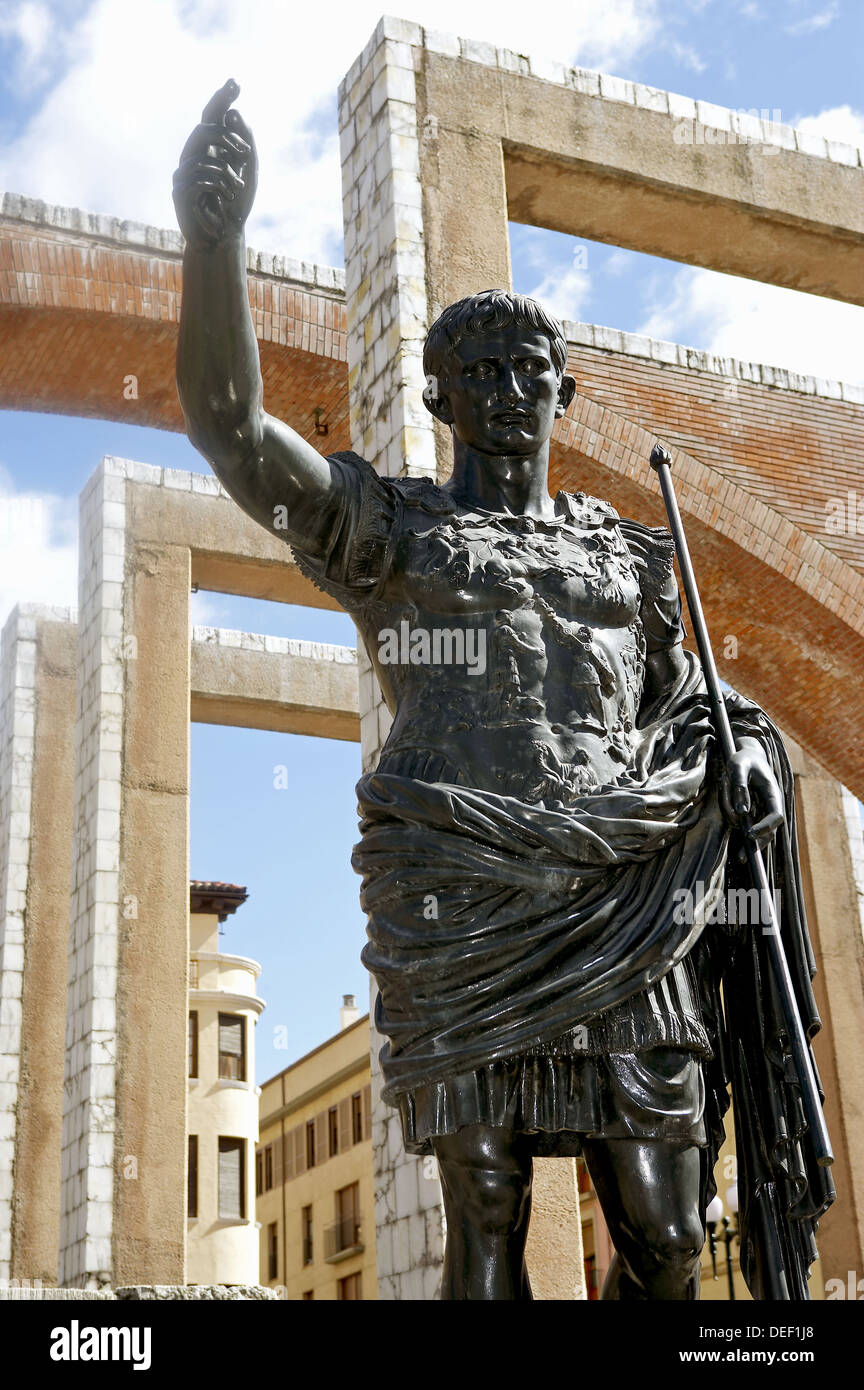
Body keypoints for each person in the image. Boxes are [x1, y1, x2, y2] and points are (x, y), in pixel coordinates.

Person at [174, 81, 833, 1301]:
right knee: (483, 1211)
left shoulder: (636, 558)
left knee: (672, 1233)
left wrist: (742, 754)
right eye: (479, 367)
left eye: (532, 367)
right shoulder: (394, 532)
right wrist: (212, 246)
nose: (510, 387)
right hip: (462, 913)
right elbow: (231, 425)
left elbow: (693, 711)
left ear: (564, 393)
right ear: (441, 396)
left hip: (625, 908)